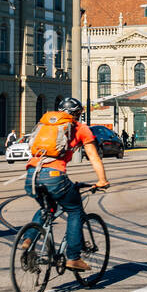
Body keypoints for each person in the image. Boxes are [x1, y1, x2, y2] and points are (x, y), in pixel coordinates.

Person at [22, 97, 109, 272]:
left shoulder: (46, 125)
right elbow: (93, 156)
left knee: (47, 209)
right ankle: (74, 257)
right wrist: (102, 180)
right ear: (77, 114)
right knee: (75, 210)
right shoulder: (80, 128)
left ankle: (28, 240)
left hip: (31, 175)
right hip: (55, 176)